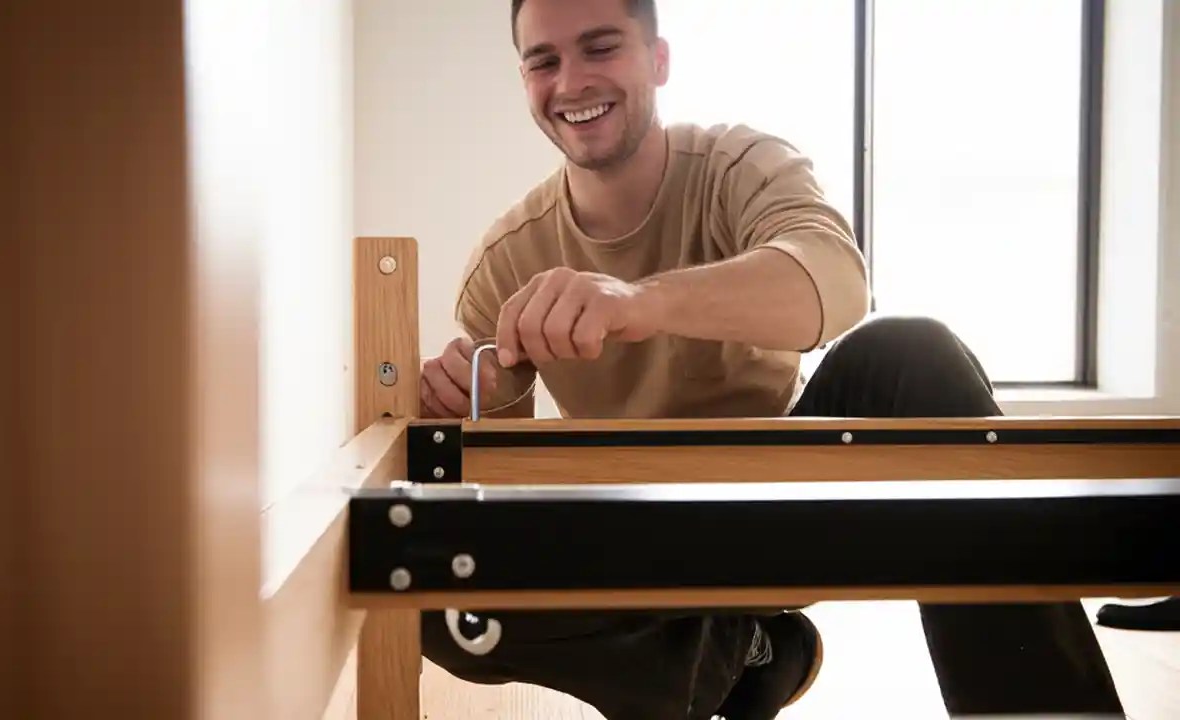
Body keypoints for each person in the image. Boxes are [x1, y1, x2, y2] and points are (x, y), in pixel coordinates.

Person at [418, 0, 1127, 717]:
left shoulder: (739, 164)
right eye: (544, 60)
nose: (570, 81)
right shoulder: (505, 259)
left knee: (913, 350)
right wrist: (452, 403)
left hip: (780, 519)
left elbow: (837, 283)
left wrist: (637, 301)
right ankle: (745, 653)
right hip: (636, 543)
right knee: (429, 595)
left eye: (600, 48)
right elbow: (491, 463)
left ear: (658, 60)